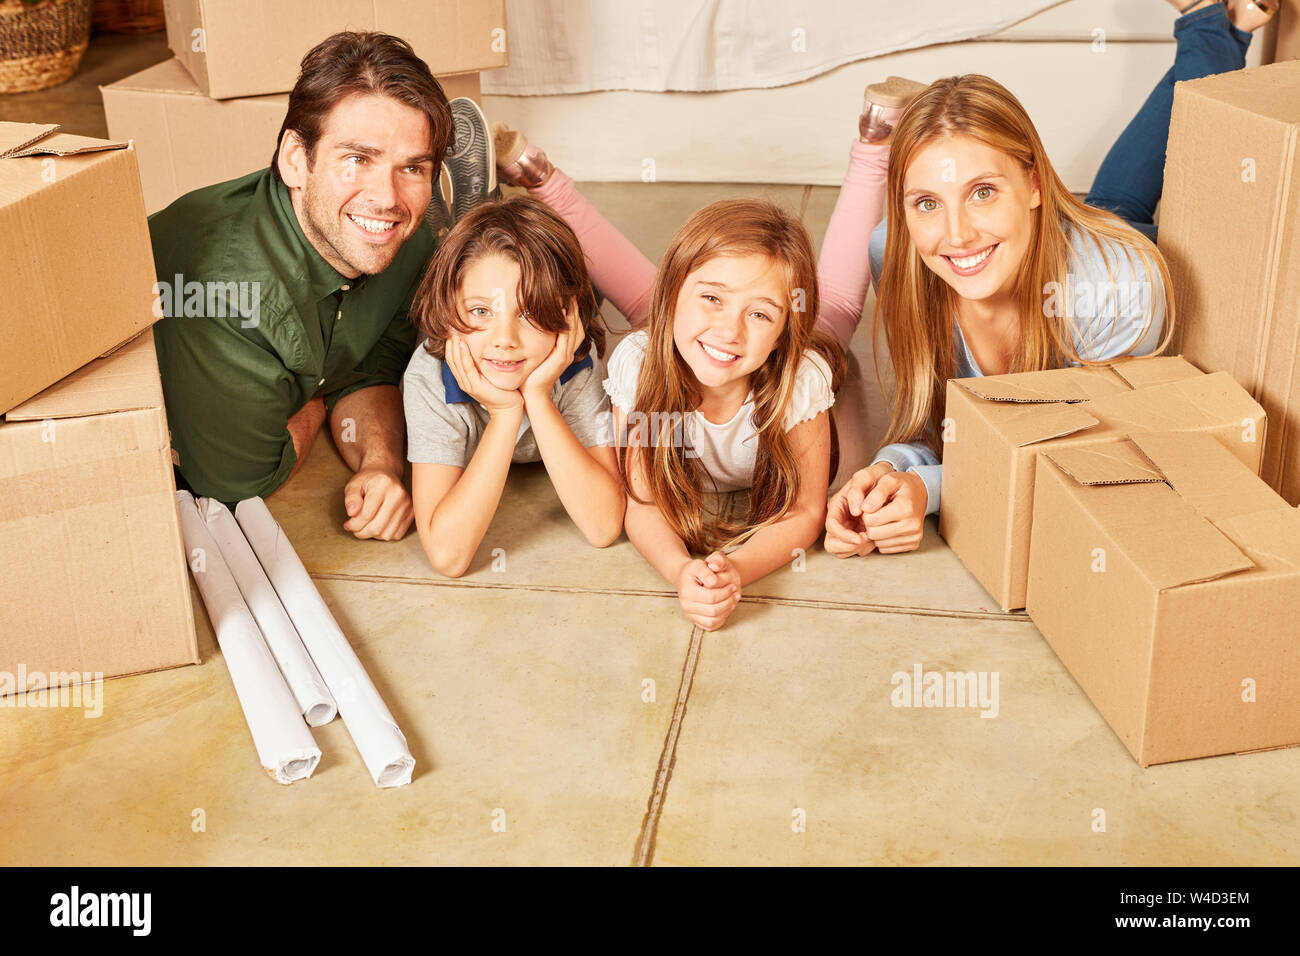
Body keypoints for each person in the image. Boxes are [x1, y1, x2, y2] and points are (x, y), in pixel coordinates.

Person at [820, 0, 1275, 558]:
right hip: (1062, 241)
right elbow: (939, 419)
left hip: (1111, 264)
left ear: (1034, 184)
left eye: (982, 191)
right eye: (927, 202)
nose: (956, 234)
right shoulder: (897, 252)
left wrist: (929, 488)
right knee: (1111, 202)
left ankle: (1214, 26)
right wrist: (889, 473)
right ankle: (1217, 19)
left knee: (1118, 214)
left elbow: (1092, 452)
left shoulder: (1117, 288)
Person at [148, 31, 495, 541]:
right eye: (357, 158)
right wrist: (315, 401)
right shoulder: (226, 296)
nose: (387, 197)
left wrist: (379, 463)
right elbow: (238, 481)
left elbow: (371, 364)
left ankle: (481, 235)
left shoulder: (406, 241)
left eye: (413, 168)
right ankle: (476, 230)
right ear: (295, 160)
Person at [492, 130, 846, 629]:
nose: (731, 328)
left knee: (839, 311)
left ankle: (874, 143)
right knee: (653, 304)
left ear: (784, 330)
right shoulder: (646, 366)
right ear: (676, 292)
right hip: (675, 335)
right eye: (712, 299)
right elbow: (643, 502)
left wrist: (737, 570)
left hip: (787, 344)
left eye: (762, 315)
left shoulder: (798, 376)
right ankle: (539, 176)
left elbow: (805, 512)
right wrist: (681, 570)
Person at [403, 198, 623, 577]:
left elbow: (603, 526)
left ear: (567, 319)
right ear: (449, 308)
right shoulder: (430, 376)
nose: (504, 340)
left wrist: (538, 397)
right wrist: (505, 415)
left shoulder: (573, 361)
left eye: (529, 314)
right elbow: (448, 556)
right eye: (480, 312)